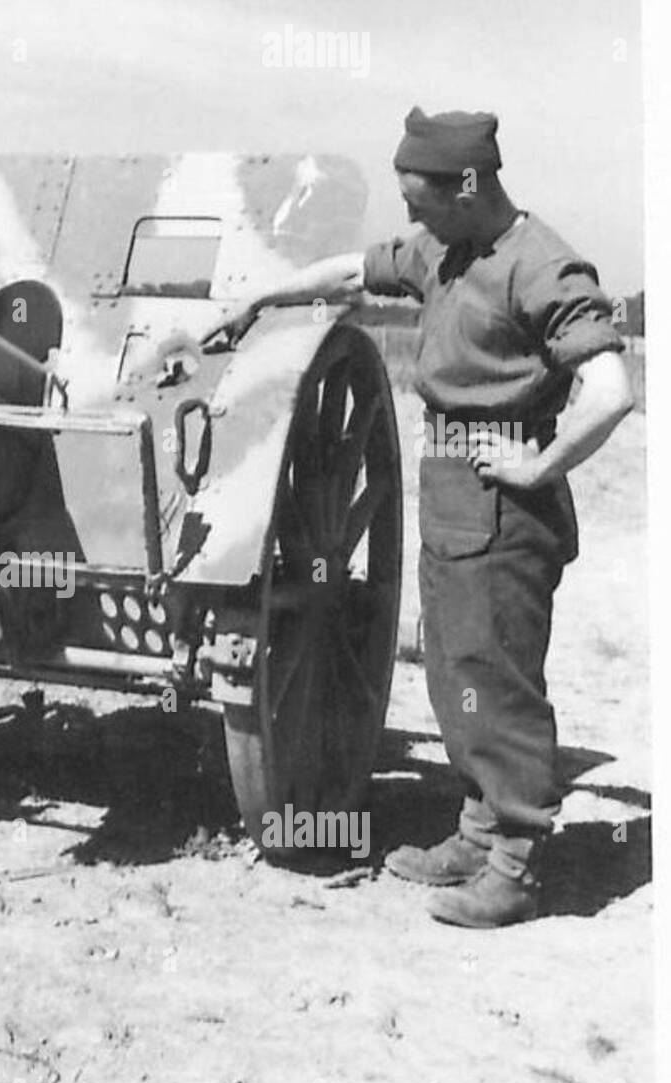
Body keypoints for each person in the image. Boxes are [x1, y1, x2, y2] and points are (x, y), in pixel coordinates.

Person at [206, 107, 634, 927]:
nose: (407, 217)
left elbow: (613, 390)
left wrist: (539, 464)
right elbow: (348, 274)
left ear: (469, 186)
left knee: (498, 680)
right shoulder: (445, 247)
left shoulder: (540, 264)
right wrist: (261, 295)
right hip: (448, 488)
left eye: (418, 198)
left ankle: (515, 863)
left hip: (503, 502)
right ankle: (477, 832)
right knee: (453, 673)